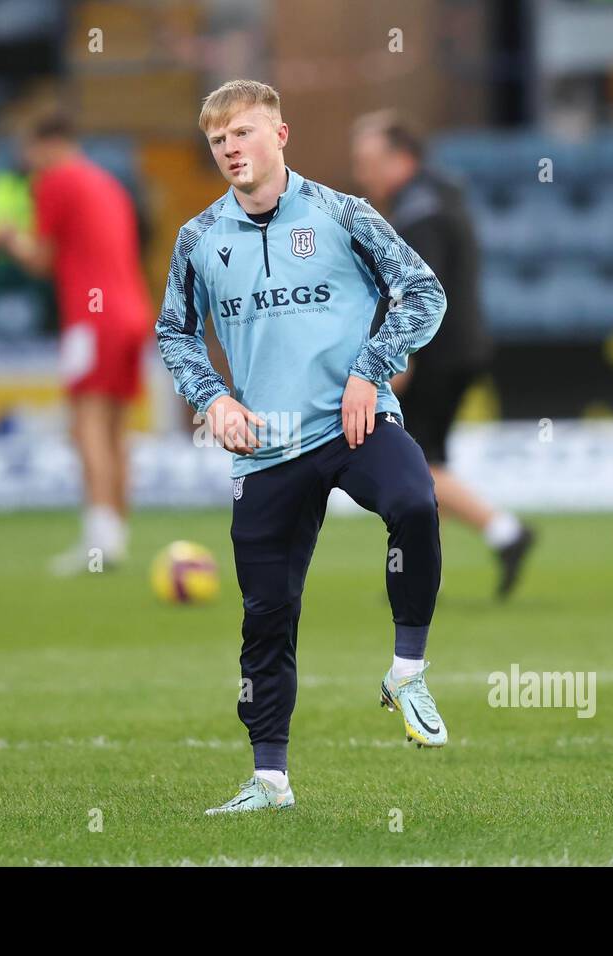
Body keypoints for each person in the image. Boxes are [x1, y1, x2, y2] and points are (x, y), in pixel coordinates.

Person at [156, 80, 448, 815]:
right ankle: (270, 780)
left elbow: (423, 292)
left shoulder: (343, 214)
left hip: (354, 423)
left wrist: (367, 370)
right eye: (218, 138)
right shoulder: (199, 239)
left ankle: (407, 672)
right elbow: (173, 333)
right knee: (268, 615)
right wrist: (213, 398)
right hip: (267, 448)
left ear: (279, 136)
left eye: (244, 132)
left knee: (414, 502)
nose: (230, 148)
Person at [352, 110, 535, 599]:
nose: (361, 172)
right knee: (427, 463)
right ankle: (427, 571)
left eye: (369, 160)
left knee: (420, 463)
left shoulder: (420, 211)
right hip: (464, 346)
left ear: (401, 158)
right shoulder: (441, 193)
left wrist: (400, 356)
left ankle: (506, 533)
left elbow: (418, 290)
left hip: (438, 353)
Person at [0, 114, 153, 574]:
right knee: (116, 429)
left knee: (87, 424)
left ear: (46, 144)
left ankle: (99, 543)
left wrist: (9, 240)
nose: (25, 163)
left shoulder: (56, 180)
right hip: (131, 310)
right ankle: (115, 536)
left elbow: (42, 259)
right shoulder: (108, 183)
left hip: (92, 317)